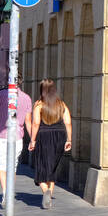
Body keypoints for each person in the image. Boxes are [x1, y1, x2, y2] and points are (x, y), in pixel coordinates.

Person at [0, 76, 34, 206]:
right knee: (12, 165)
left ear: (9, 82)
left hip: (2, 134)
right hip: (17, 136)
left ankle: (6, 192)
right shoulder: (26, 98)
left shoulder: (1, 94)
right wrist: (32, 139)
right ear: (21, 83)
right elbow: (28, 121)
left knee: (1, 165)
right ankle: (9, 192)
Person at [28, 79, 73, 209]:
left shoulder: (39, 104)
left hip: (43, 136)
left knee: (41, 166)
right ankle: (49, 196)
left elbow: (36, 123)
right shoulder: (62, 104)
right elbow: (68, 123)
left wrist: (32, 140)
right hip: (59, 136)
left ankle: (45, 190)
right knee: (52, 167)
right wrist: (69, 140)